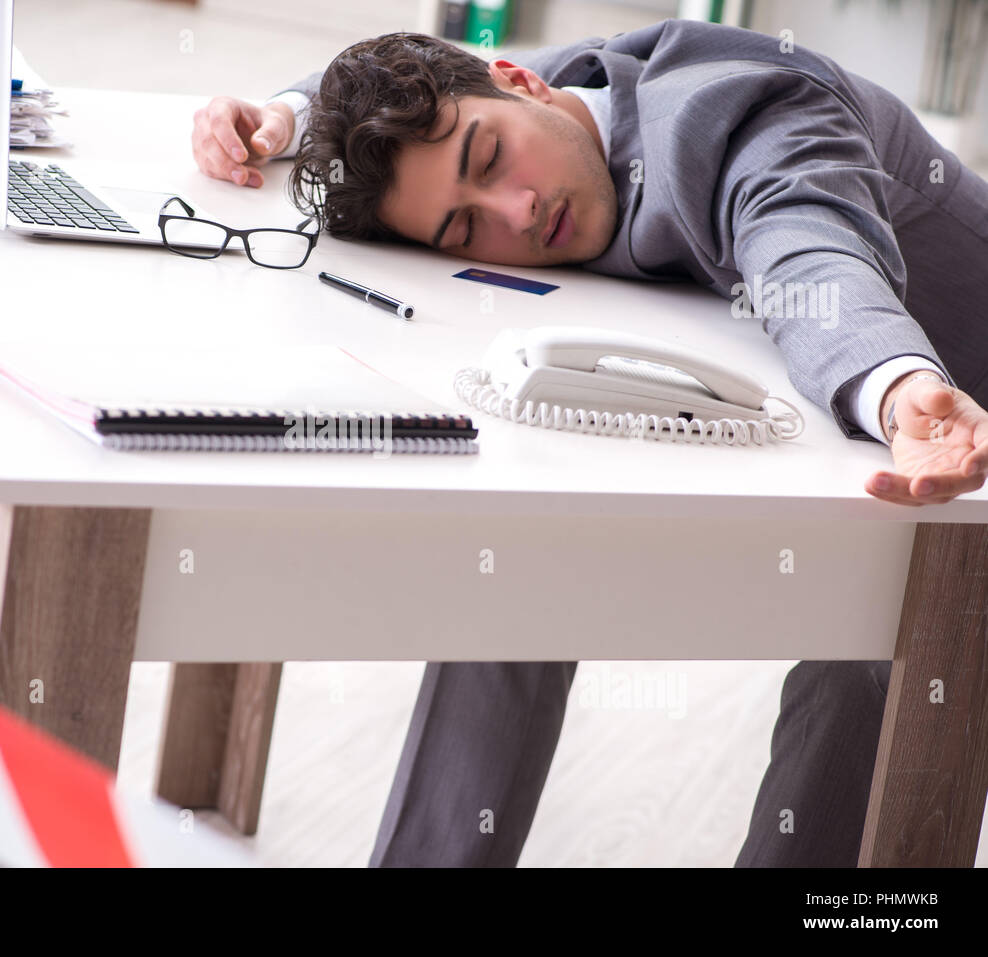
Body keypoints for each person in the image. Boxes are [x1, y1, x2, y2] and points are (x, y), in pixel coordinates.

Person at [189, 19, 988, 866]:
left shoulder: (743, 111)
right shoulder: (530, 98)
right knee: (525, 555)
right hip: (831, 413)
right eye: (465, 229)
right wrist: (281, 116)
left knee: (879, 636)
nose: (518, 212)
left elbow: (808, 250)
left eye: (489, 163)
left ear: (520, 85)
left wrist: (896, 385)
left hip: (945, 421)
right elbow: (394, 91)